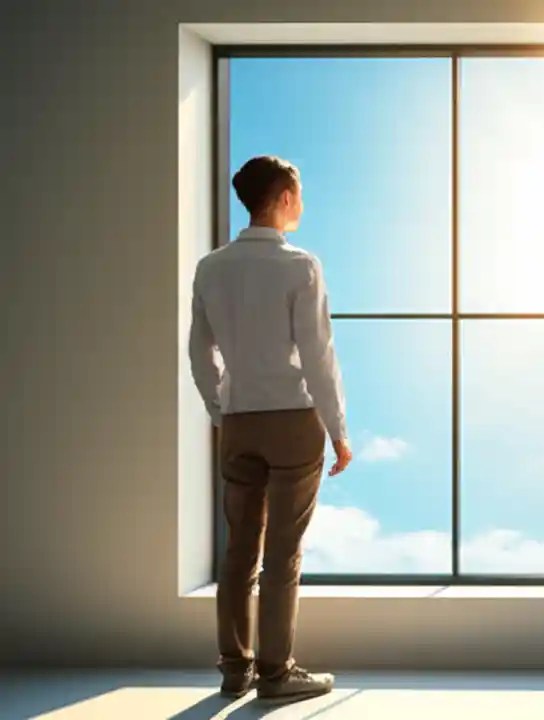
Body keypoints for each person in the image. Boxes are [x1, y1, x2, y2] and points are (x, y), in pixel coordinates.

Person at [188, 155, 354, 702]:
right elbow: (318, 356)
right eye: (298, 194)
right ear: (284, 197)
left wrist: (221, 410)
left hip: (239, 421)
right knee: (283, 554)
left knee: (239, 550)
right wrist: (338, 430)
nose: (301, 203)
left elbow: (199, 352)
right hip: (293, 421)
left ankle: (234, 668)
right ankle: (276, 673)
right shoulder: (300, 265)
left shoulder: (210, 267)